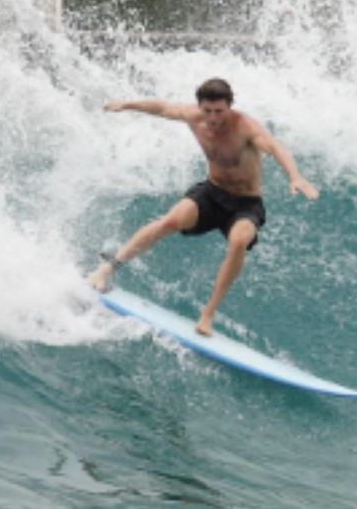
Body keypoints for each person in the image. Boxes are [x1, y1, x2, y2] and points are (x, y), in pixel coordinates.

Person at [88, 78, 318, 336]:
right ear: (199, 106)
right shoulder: (193, 116)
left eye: (219, 111)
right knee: (170, 221)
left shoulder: (245, 127)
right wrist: (127, 104)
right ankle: (106, 270)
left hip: (245, 203)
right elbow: (162, 108)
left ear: (229, 106)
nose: (213, 118)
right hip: (211, 192)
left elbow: (275, 147)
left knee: (239, 241)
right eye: (207, 110)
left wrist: (295, 176)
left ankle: (207, 315)